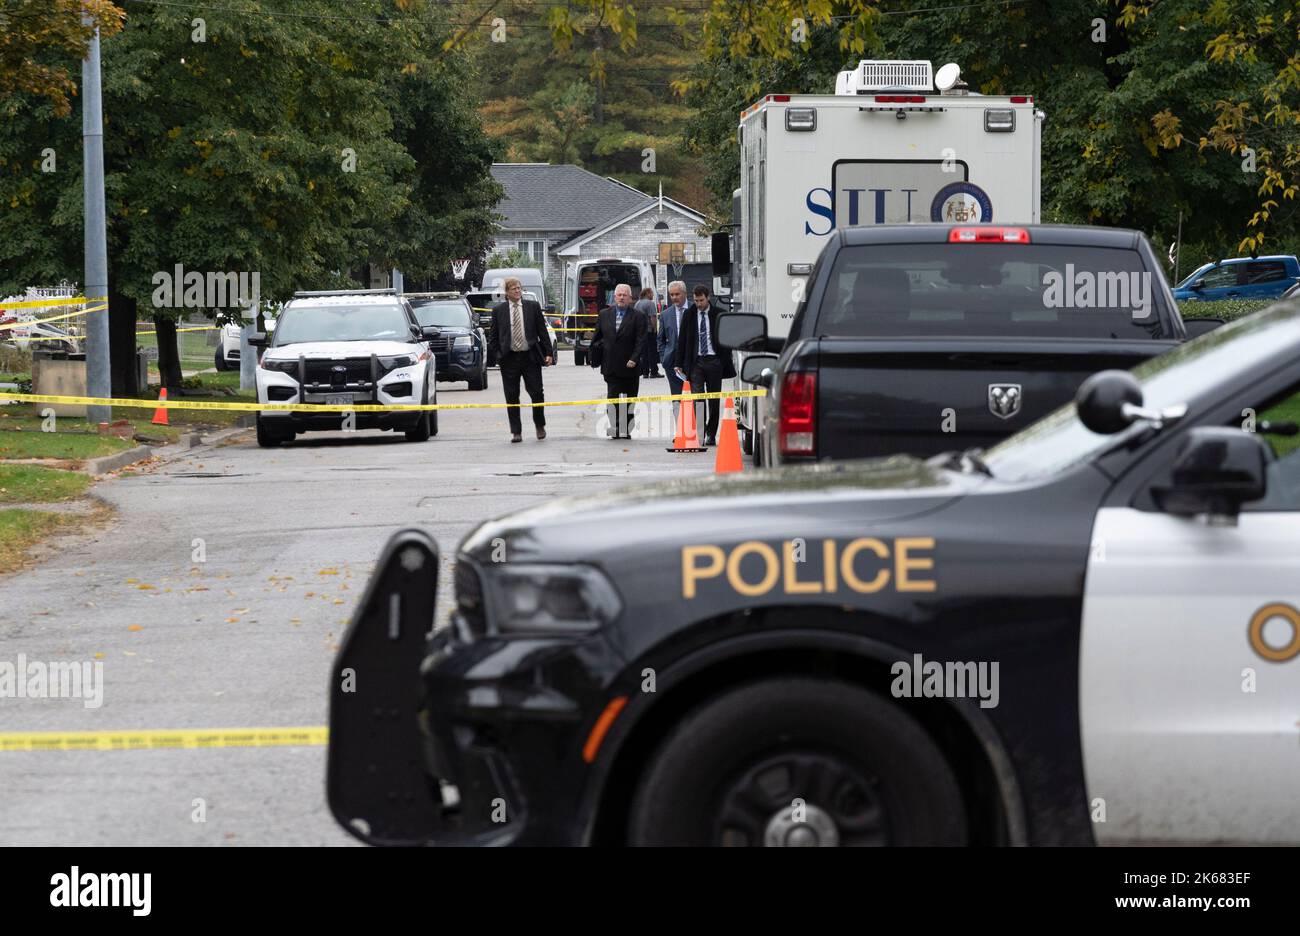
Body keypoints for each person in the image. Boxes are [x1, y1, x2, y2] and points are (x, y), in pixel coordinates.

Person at [488, 277, 553, 443]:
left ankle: (539, 425)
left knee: (537, 392)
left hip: (530, 357)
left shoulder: (532, 307)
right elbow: (493, 337)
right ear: (507, 293)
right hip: (509, 359)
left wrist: (548, 353)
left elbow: (542, 332)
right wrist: (497, 356)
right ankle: (516, 431)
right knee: (511, 395)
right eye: (513, 289)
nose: (517, 291)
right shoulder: (499, 311)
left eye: (519, 288)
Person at [674, 283, 735, 446]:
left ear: (708, 298)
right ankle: (700, 432)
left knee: (713, 400)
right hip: (696, 363)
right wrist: (678, 362)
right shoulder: (689, 314)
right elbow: (683, 340)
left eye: (701, 300)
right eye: (695, 300)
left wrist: (724, 359)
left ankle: (711, 433)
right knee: (698, 398)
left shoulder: (719, 314)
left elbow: (727, 338)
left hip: (714, 361)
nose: (698, 304)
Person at [589, 283, 647, 439]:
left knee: (629, 400)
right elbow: (597, 337)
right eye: (619, 295)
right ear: (614, 297)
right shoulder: (604, 314)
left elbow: (641, 341)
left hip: (630, 366)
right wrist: (596, 353)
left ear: (630, 298)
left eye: (625, 295)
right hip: (611, 365)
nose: (622, 297)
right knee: (612, 398)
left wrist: (634, 358)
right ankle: (615, 426)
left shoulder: (638, 316)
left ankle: (626, 428)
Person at [657, 280, 689, 415]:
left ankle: (698, 431)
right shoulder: (665, 314)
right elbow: (661, 339)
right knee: (676, 398)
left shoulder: (694, 309)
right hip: (672, 363)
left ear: (685, 294)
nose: (674, 297)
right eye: (672, 295)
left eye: (677, 294)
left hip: (692, 363)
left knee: (695, 397)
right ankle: (680, 431)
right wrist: (664, 357)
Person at [634, 287, 660, 378]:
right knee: (652, 352)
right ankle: (654, 372)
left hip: (640, 332)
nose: (652, 295)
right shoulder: (650, 303)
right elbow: (652, 318)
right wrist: (655, 329)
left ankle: (645, 372)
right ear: (648, 293)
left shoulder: (637, 303)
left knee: (644, 352)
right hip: (649, 331)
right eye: (652, 293)